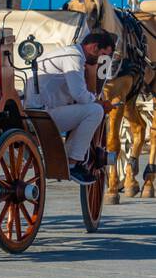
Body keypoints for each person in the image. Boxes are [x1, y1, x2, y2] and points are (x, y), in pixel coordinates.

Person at [23, 30, 117, 183]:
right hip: (44, 115)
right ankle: (72, 162)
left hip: (38, 111)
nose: (102, 61)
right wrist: (98, 102)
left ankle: (66, 157)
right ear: (94, 47)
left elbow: (80, 96)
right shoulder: (74, 57)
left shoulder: (69, 53)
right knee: (94, 111)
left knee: (91, 108)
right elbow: (79, 94)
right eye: (103, 55)